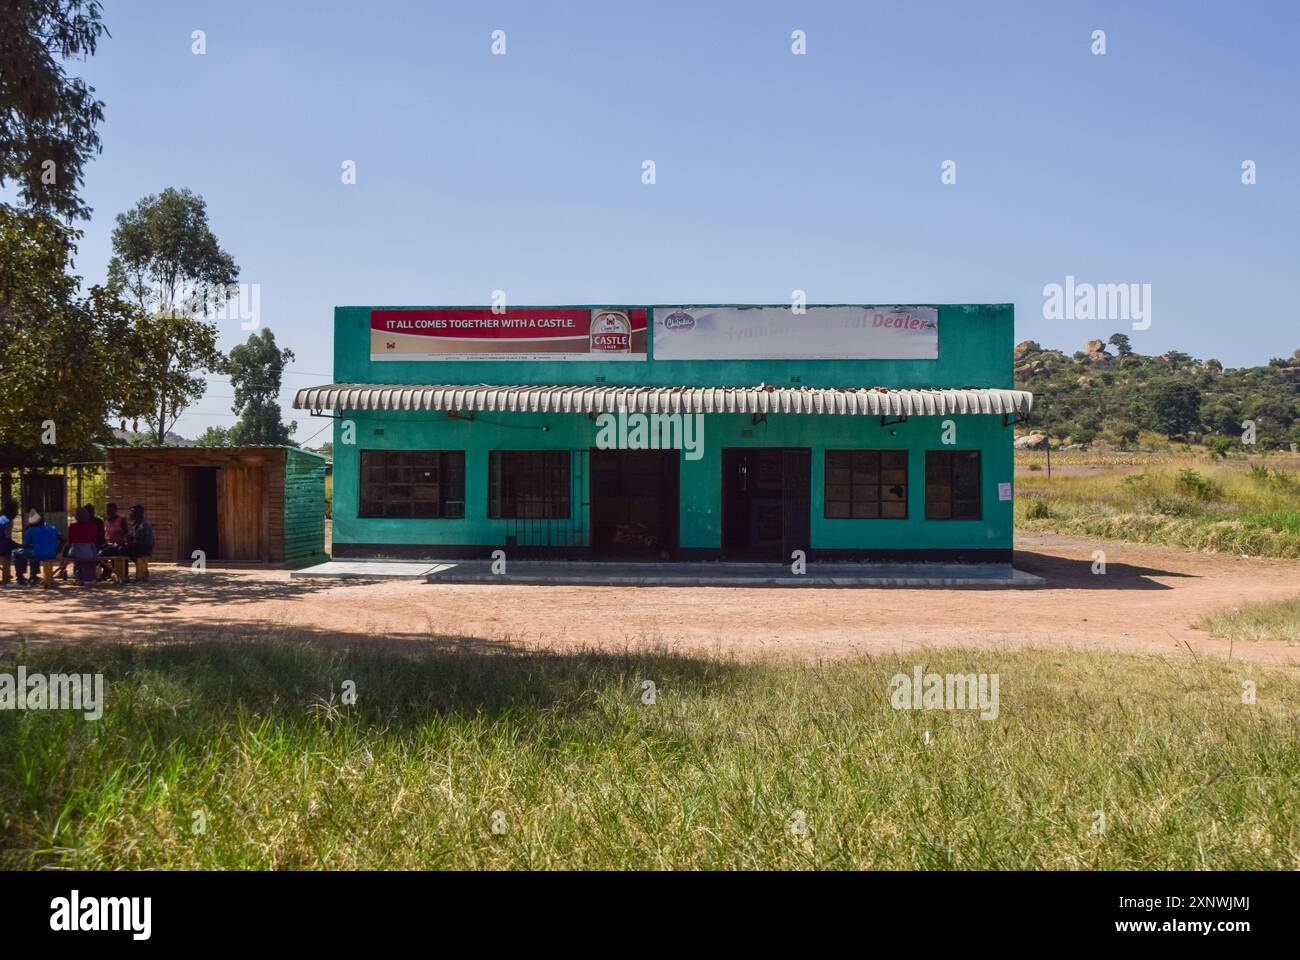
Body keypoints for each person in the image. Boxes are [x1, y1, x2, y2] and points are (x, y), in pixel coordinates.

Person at [13, 510, 62, 587]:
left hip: (37, 554)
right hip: (52, 554)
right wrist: (58, 550)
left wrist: (17, 545)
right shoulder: (52, 528)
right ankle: (33, 576)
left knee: (16, 553)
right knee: (34, 551)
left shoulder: (30, 530)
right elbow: (64, 539)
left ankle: (20, 579)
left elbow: (26, 545)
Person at [66, 506, 100, 585]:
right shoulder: (93, 526)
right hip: (89, 552)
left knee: (75, 557)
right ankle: (90, 577)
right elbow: (94, 540)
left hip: (76, 551)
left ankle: (78, 577)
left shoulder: (72, 526)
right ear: (87, 516)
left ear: (76, 517)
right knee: (90, 556)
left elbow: (70, 540)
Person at [98, 502, 128, 581]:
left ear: (115, 510)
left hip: (118, 544)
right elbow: (104, 534)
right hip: (108, 544)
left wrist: (120, 541)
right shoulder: (105, 520)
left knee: (120, 551)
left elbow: (126, 533)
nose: (109, 512)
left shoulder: (121, 520)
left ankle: (123, 574)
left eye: (111, 510)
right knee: (99, 554)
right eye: (107, 510)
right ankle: (107, 571)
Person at [0, 500, 17, 584]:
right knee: (9, 554)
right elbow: (7, 537)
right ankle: (6, 579)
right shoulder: (7, 521)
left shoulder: (2, 518)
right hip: (2, 546)